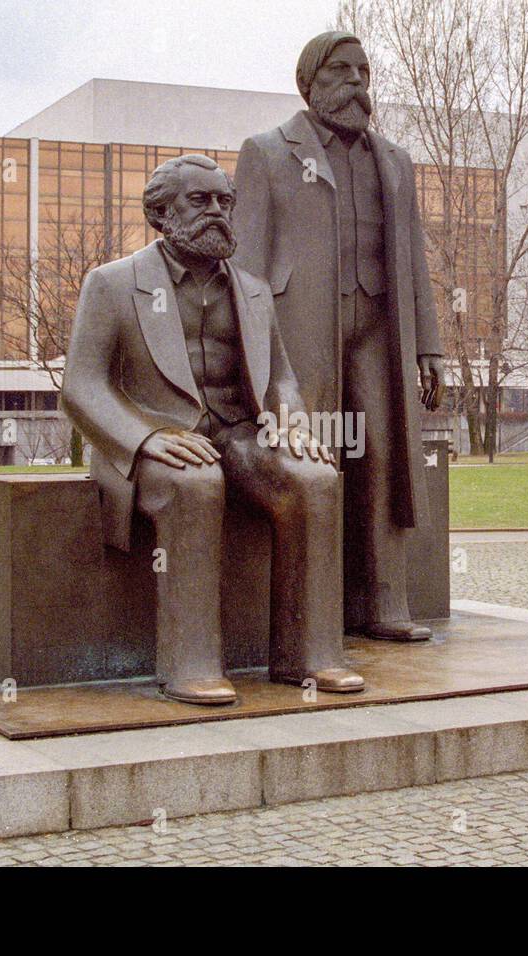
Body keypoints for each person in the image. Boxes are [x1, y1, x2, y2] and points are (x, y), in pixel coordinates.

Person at [62, 154, 365, 706]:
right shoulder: (110, 284)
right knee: (196, 482)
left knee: (316, 478)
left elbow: (281, 378)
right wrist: (146, 438)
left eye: (224, 201)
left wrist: (290, 417)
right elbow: (81, 387)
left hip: (240, 432)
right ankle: (191, 663)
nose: (217, 212)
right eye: (199, 201)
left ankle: (310, 655)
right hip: (151, 435)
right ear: (160, 213)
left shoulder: (251, 290)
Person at [233, 31, 444, 641]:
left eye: (364, 71)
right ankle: (314, 608)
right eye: (342, 71)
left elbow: (414, 264)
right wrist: (249, 353)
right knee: (313, 454)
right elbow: (245, 265)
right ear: (310, 82)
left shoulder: (394, 162)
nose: (357, 82)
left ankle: (381, 602)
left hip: (378, 331)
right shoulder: (268, 153)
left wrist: (428, 345)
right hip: (299, 331)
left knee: (380, 454)